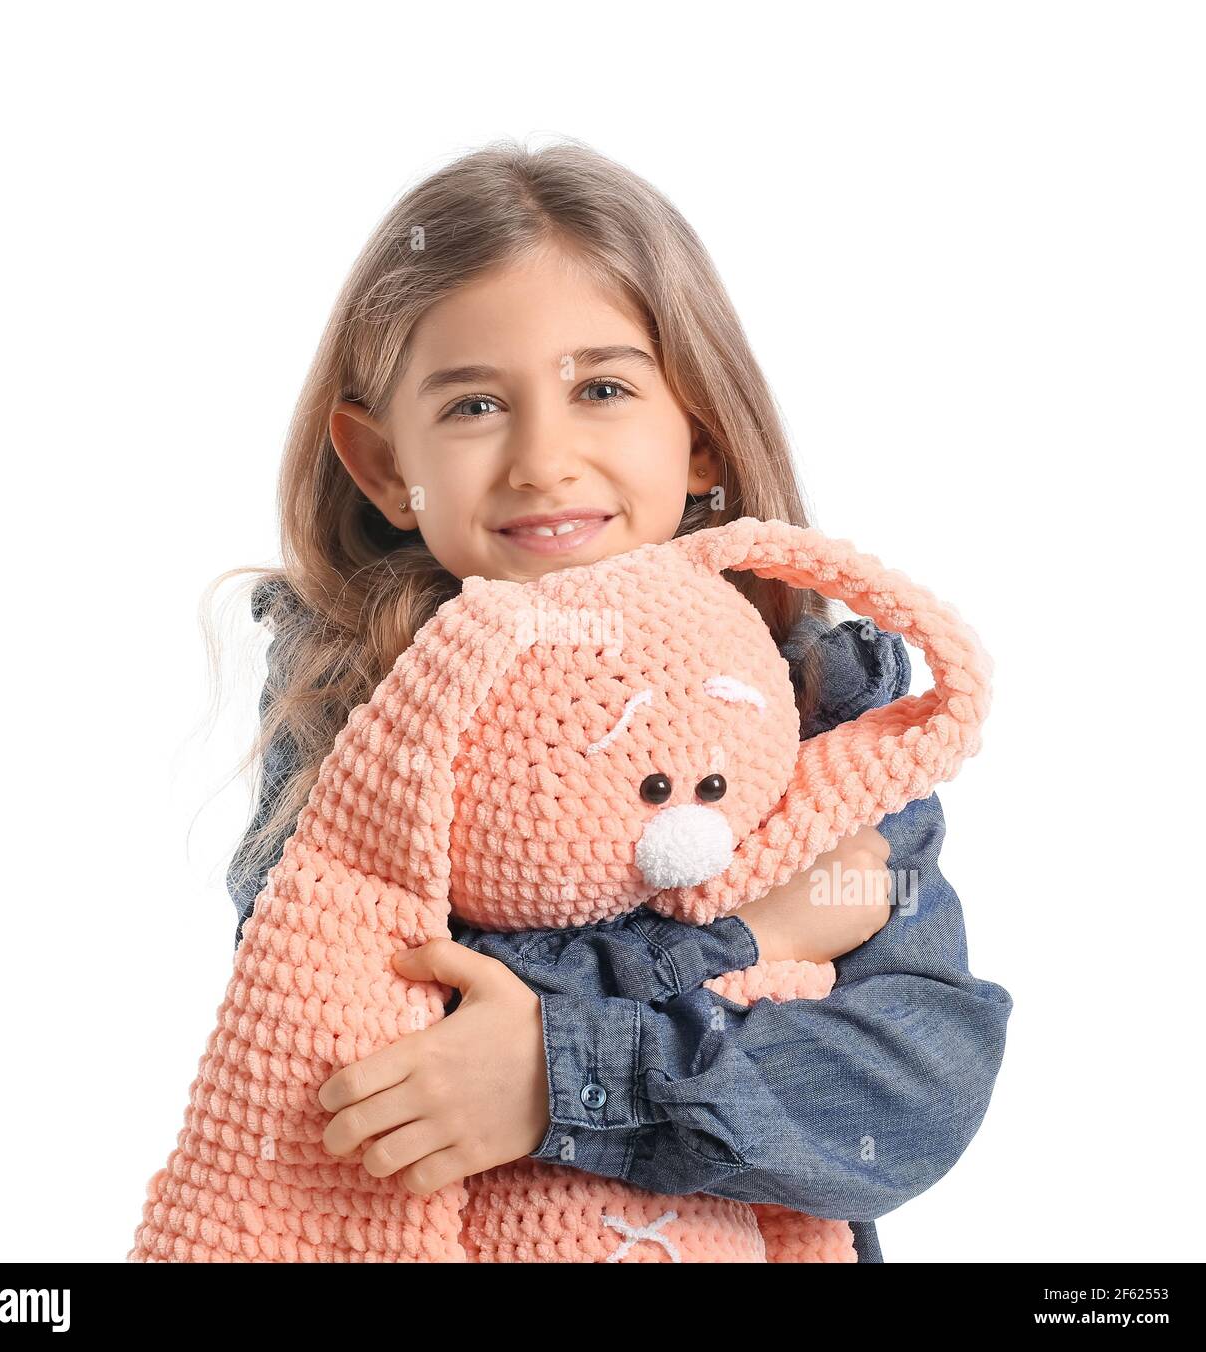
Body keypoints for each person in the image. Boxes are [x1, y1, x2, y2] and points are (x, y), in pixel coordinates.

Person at [216, 138, 1012, 1263]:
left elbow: (908, 1084)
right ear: (384, 463)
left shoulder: (822, 711)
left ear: (700, 436)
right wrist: (747, 934)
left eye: (602, 387)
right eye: (476, 404)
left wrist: (557, 1070)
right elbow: (333, 1044)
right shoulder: (353, 709)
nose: (545, 458)